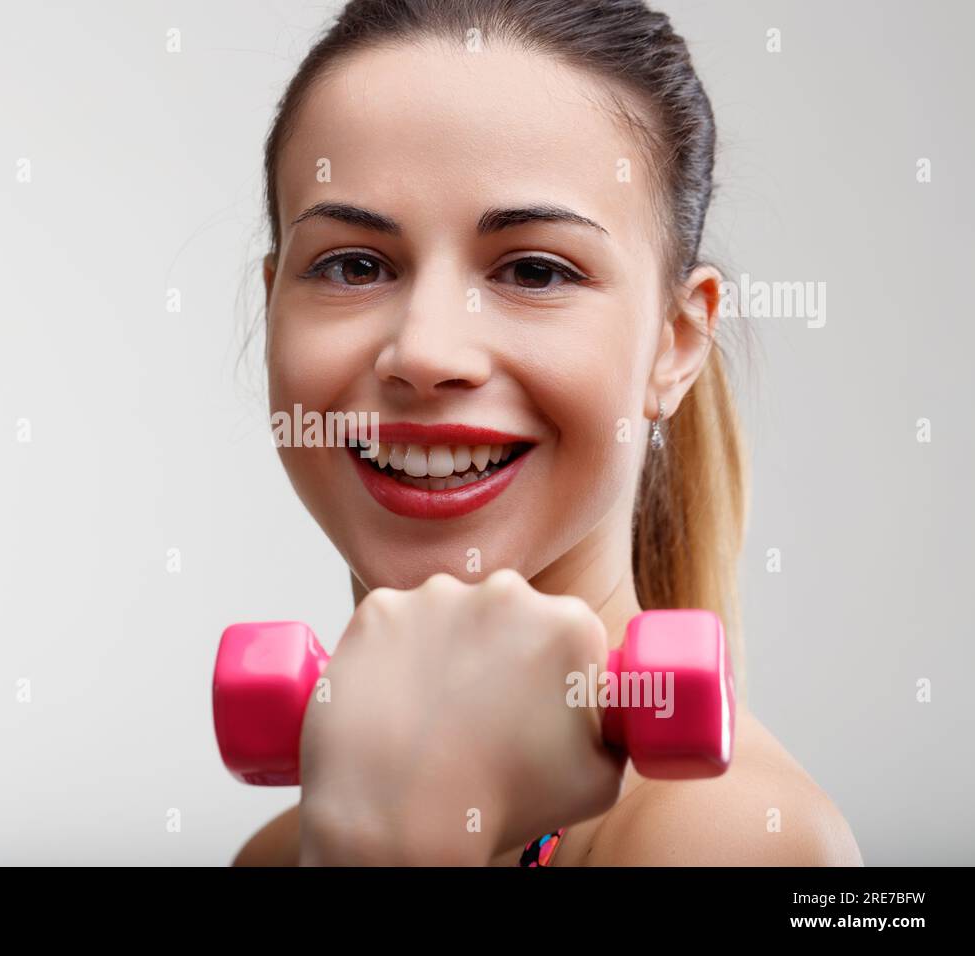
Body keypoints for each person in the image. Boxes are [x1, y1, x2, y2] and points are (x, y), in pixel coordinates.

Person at [234, 0, 863, 866]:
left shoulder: (734, 840)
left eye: (535, 270)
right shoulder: (275, 853)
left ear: (675, 343)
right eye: (354, 265)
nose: (425, 351)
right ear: (275, 307)